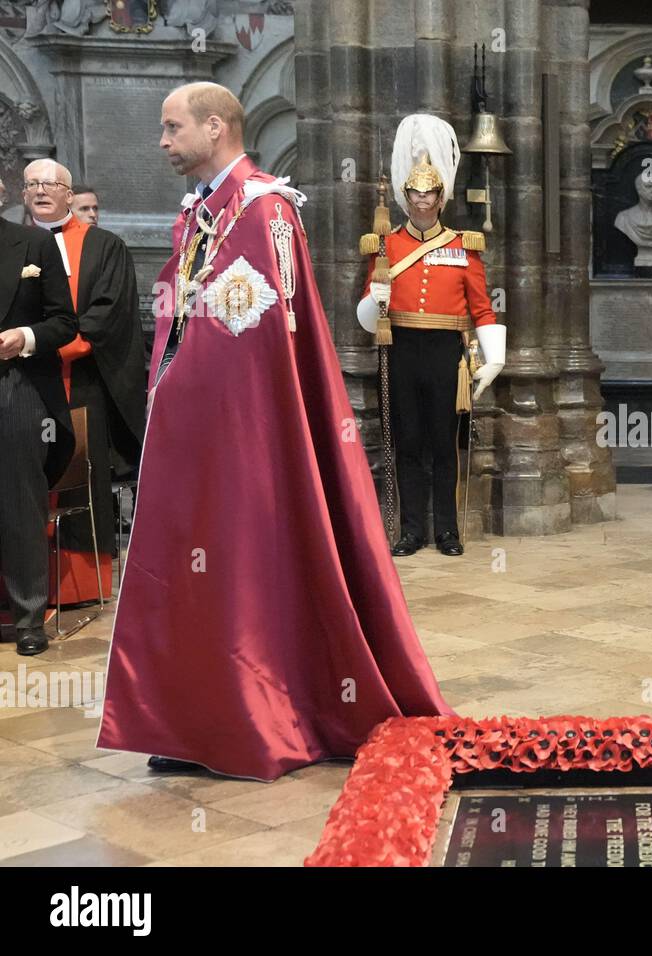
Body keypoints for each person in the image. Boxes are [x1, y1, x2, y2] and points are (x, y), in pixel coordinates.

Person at [97, 82, 453, 780]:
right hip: (199, 432)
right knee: (195, 570)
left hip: (244, 433)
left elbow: (261, 331)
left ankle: (257, 716)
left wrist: (205, 399)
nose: (163, 143)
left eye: (173, 129)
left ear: (216, 126)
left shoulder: (264, 210)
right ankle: (196, 720)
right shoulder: (207, 209)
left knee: (242, 568)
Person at [356, 113, 505, 557]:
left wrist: (493, 356)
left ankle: (448, 531)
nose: (423, 200)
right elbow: (367, 311)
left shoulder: (464, 245)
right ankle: (411, 530)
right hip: (400, 350)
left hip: (447, 354)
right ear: (405, 195)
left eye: (430, 193)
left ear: (442, 196)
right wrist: (374, 299)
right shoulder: (385, 246)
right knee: (407, 443)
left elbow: (481, 306)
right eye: (416, 192)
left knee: (445, 446)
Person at [22, 159, 145, 605]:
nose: (41, 190)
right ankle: (20, 587)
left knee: (77, 478)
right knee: (21, 484)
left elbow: (108, 314)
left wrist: (45, 345)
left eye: (51, 183)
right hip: (19, 384)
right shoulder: (11, 243)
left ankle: (76, 587)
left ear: (68, 195)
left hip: (80, 381)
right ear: (22, 194)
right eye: (32, 183)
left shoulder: (103, 246)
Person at [0, 176, 77, 656]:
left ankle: (29, 617)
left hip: (16, 386)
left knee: (21, 504)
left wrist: (22, 338)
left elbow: (63, 321)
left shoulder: (33, 243)